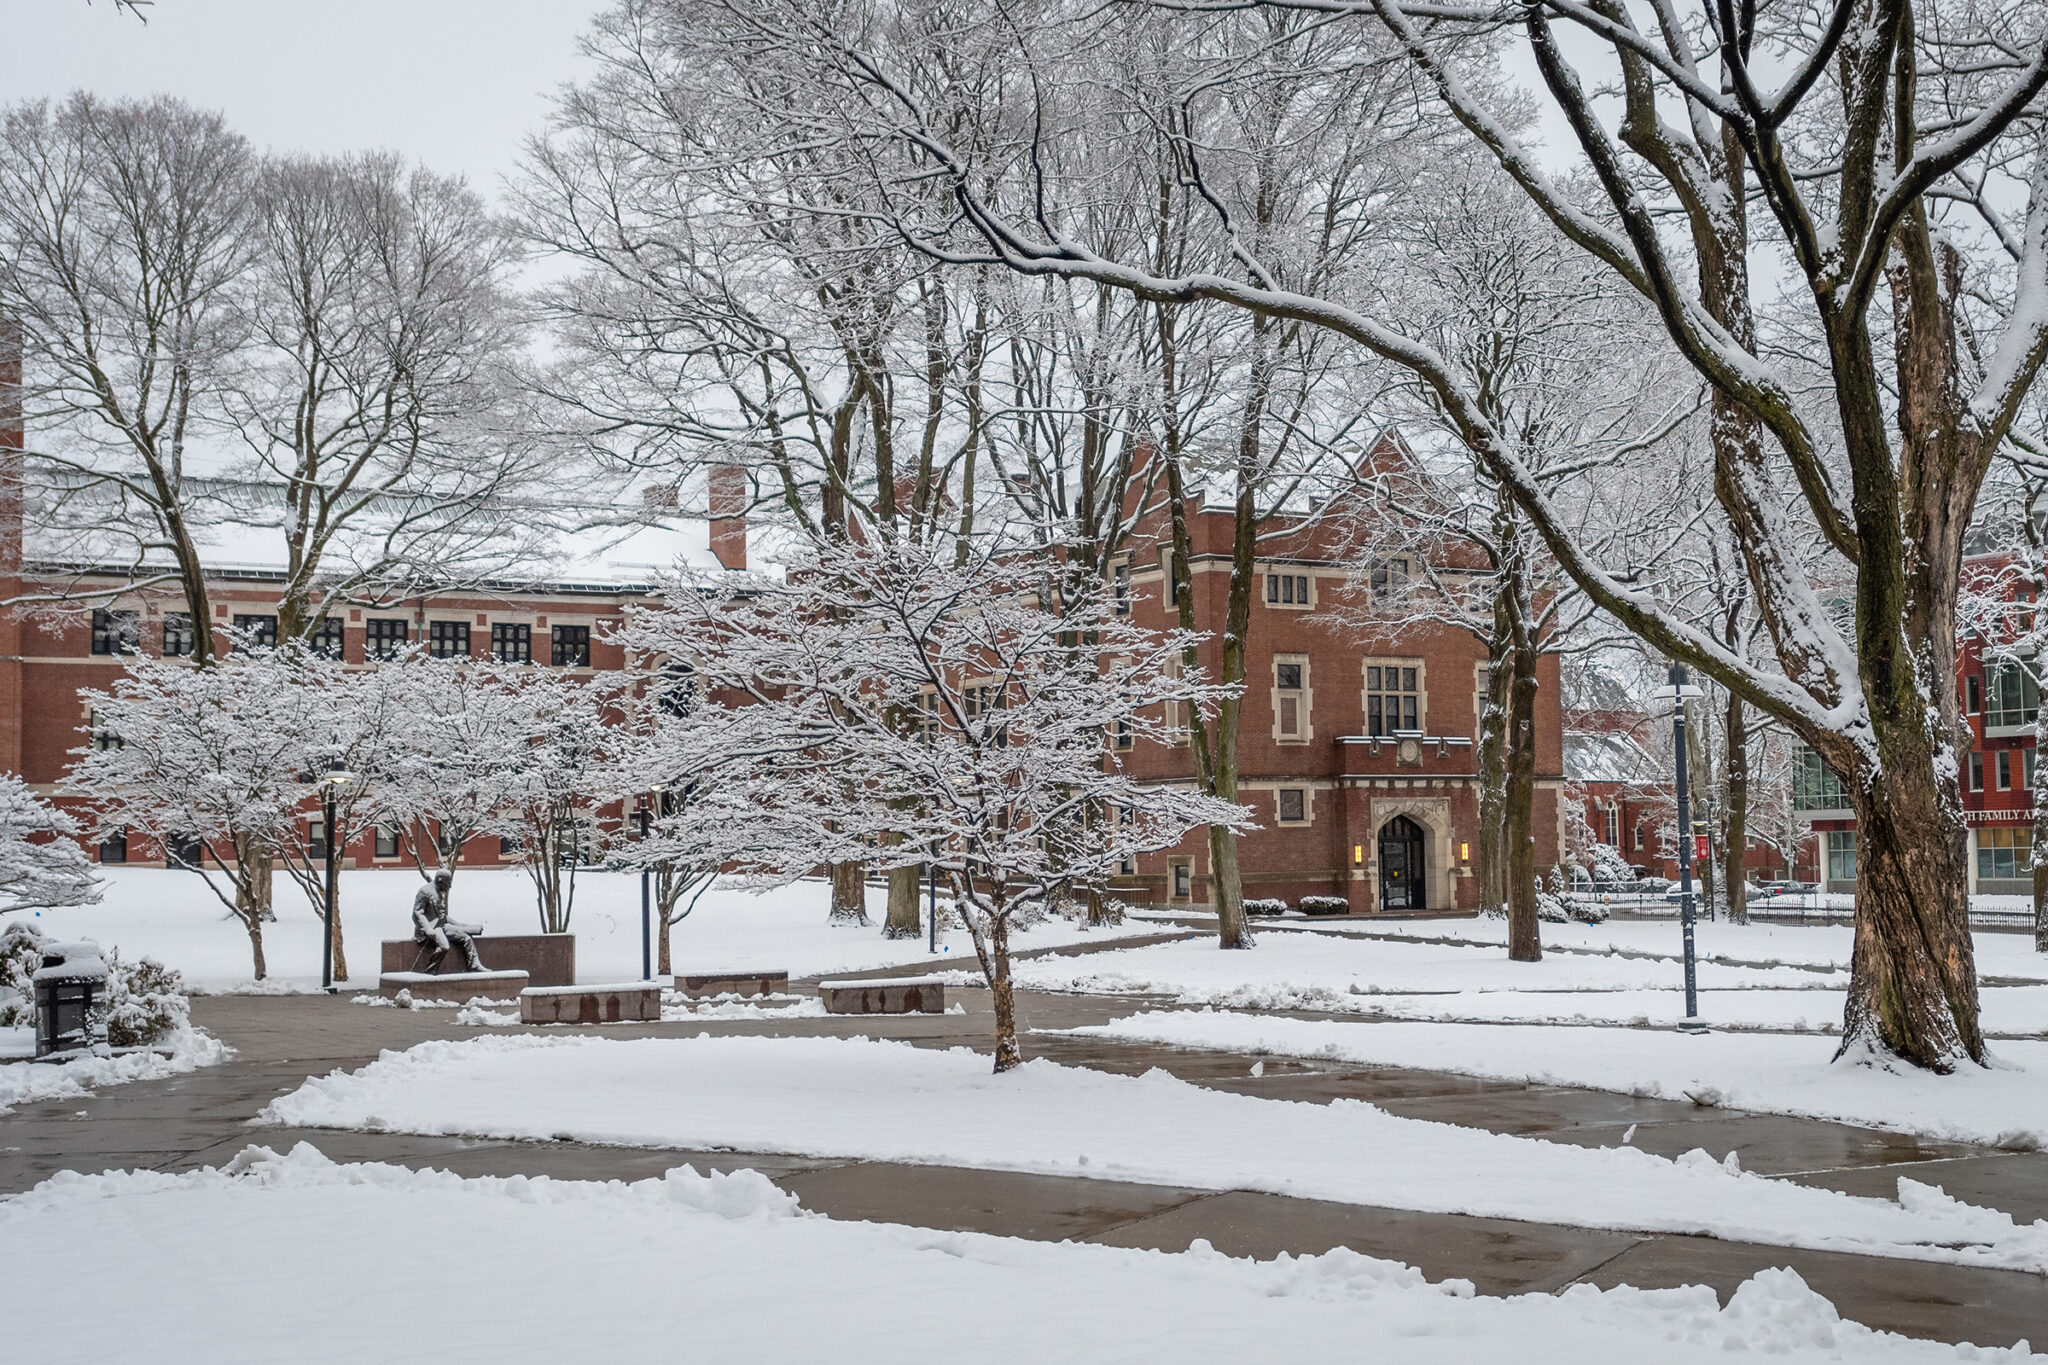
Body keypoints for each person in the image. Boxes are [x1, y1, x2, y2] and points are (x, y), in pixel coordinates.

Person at [410, 872, 486, 973]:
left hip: (441, 926)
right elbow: (417, 913)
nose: (449, 886)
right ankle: (430, 971)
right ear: (440, 880)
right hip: (431, 929)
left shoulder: (438, 892)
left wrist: (461, 926)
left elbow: (443, 917)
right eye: (447, 883)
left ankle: (474, 965)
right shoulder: (425, 891)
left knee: (466, 937)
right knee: (444, 946)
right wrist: (427, 929)